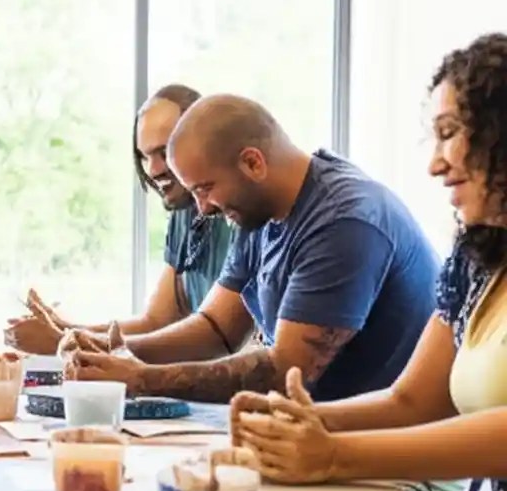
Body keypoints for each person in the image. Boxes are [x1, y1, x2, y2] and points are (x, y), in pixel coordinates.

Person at [230, 33, 507, 491]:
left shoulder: (350, 214)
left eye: (449, 133)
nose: (435, 166)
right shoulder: (475, 259)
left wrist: (334, 455)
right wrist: (296, 421)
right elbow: (413, 401)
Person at [65, 94, 440, 403]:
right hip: (317, 438)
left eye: (205, 188)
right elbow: (216, 329)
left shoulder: (345, 221)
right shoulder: (257, 210)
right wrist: (114, 350)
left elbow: (285, 373)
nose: (203, 208)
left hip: (391, 464)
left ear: (252, 163)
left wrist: (143, 379)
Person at [5, 84, 235, 356]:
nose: (153, 169)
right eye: (144, 156)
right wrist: (68, 329)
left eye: (165, 153)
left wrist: (65, 341)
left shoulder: (240, 214)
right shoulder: (184, 213)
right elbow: (156, 321)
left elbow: (218, 338)